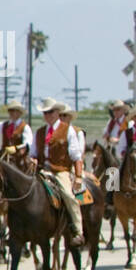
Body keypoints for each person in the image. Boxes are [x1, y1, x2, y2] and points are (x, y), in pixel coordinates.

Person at [34, 97, 84, 246]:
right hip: (42, 168)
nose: (47, 115)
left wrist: (79, 176)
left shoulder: (68, 130)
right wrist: (33, 159)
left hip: (60, 170)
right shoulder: (40, 132)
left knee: (68, 195)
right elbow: (33, 152)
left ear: (57, 113)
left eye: (50, 112)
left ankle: (78, 230)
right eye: (45, 113)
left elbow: (76, 155)